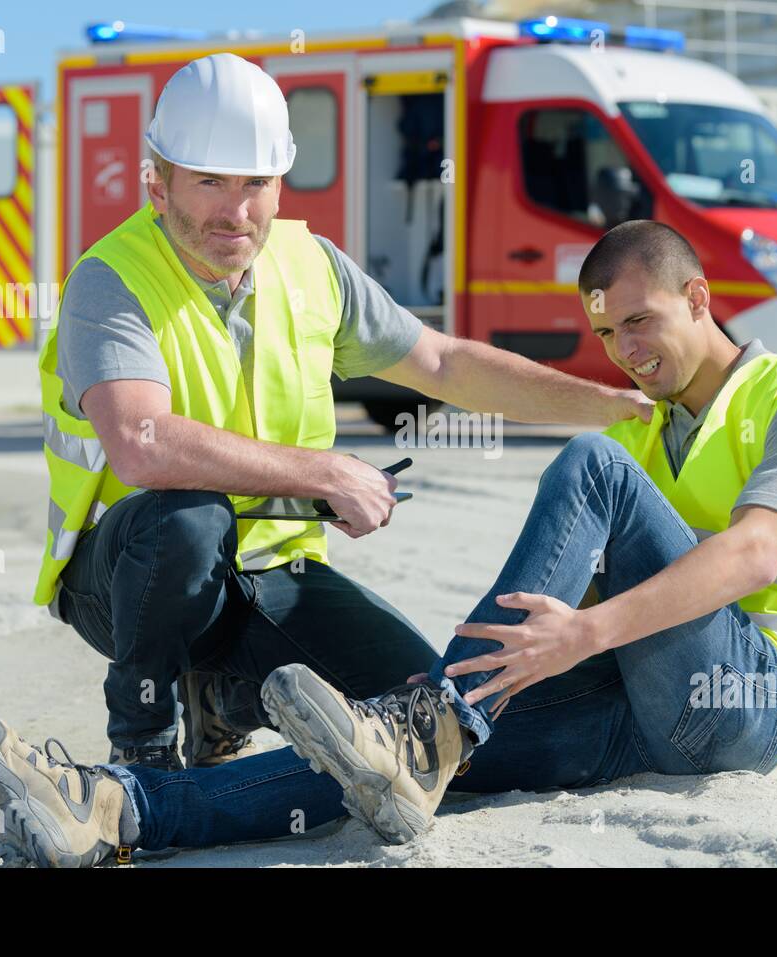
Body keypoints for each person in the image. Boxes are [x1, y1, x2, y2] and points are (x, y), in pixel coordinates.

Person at [0, 219, 777, 865]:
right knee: (383, 758)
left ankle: (435, 717)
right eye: (605, 332)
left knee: (577, 485)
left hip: (759, 703)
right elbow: (451, 366)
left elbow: (755, 554)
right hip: (644, 702)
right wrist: (536, 665)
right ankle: (110, 805)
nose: (625, 349)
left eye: (640, 322)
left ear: (701, 297)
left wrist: (580, 637)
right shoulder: (643, 428)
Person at [32, 51, 651, 773]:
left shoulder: (311, 266)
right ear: (158, 184)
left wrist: (607, 403)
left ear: (278, 184)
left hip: (269, 569)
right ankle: (142, 751)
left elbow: (445, 363)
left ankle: (225, 702)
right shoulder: (110, 280)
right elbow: (141, 444)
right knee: (188, 521)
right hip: (129, 580)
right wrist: (324, 471)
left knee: (420, 711)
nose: (235, 210)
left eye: (256, 182)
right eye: (208, 181)